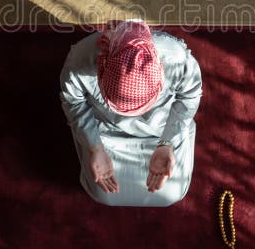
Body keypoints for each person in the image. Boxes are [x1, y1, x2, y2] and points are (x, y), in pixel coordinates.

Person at [59, 20, 202, 207]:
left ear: (160, 70)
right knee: (104, 195)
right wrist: (95, 147)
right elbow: (73, 102)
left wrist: (167, 143)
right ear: (101, 71)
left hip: (161, 131)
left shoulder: (174, 57)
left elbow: (189, 98)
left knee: (171, 194)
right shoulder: (80, 59)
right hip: (106, 132)